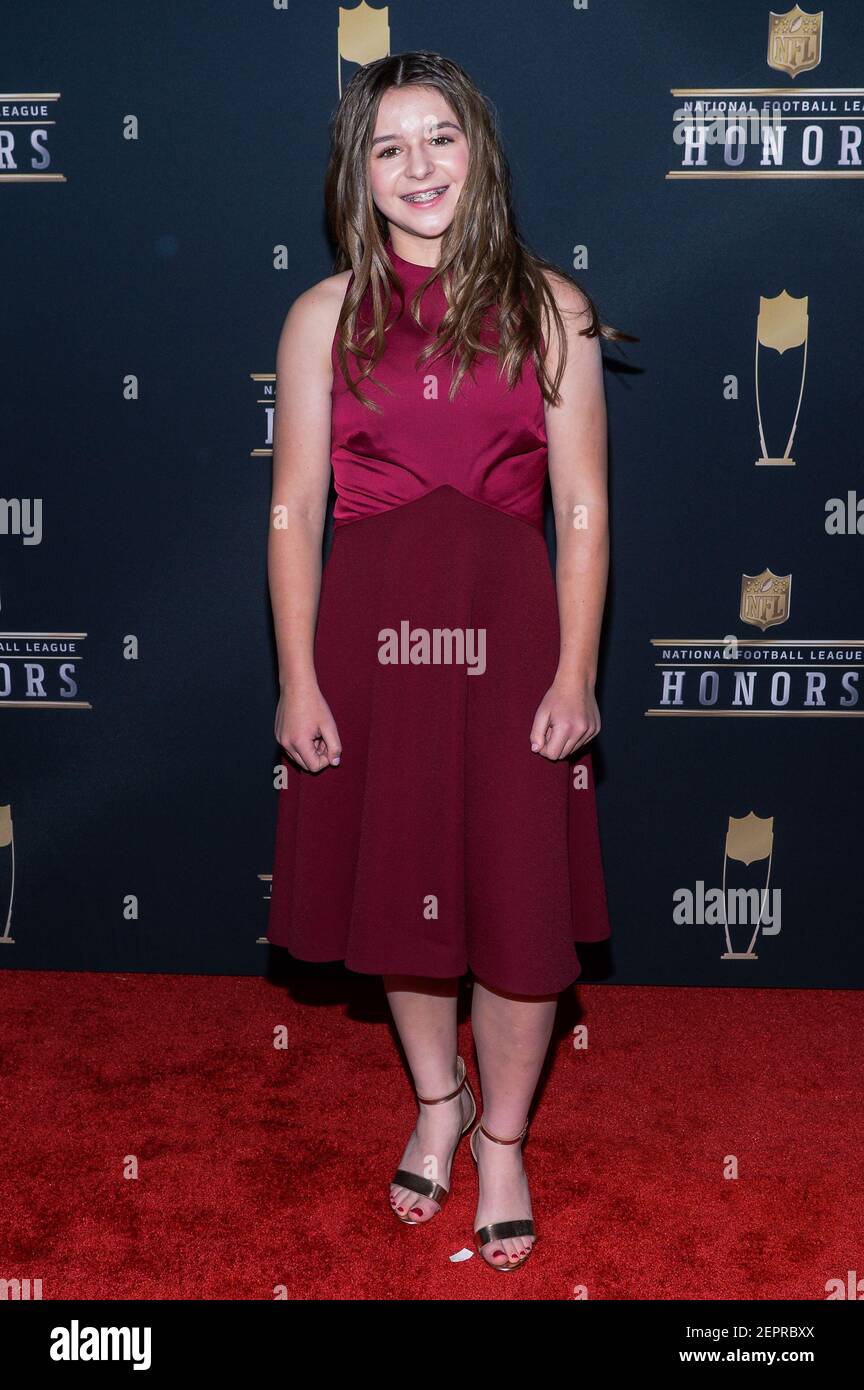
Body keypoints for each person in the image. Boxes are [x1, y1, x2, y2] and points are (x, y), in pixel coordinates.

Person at [267, 51, 627, 1273]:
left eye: (439, 139)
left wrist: (577, 671)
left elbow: (581, 511)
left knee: (519, 904)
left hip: (513, 640)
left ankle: (508, 1136)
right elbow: (291, 515)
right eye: (387, 147)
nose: (417, 167)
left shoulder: (549, 306)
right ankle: (438, 1103)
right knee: (402, 887)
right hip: (371, 647)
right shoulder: (320, 316)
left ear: (478, 153)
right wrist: (300, 678)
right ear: (358, 177)